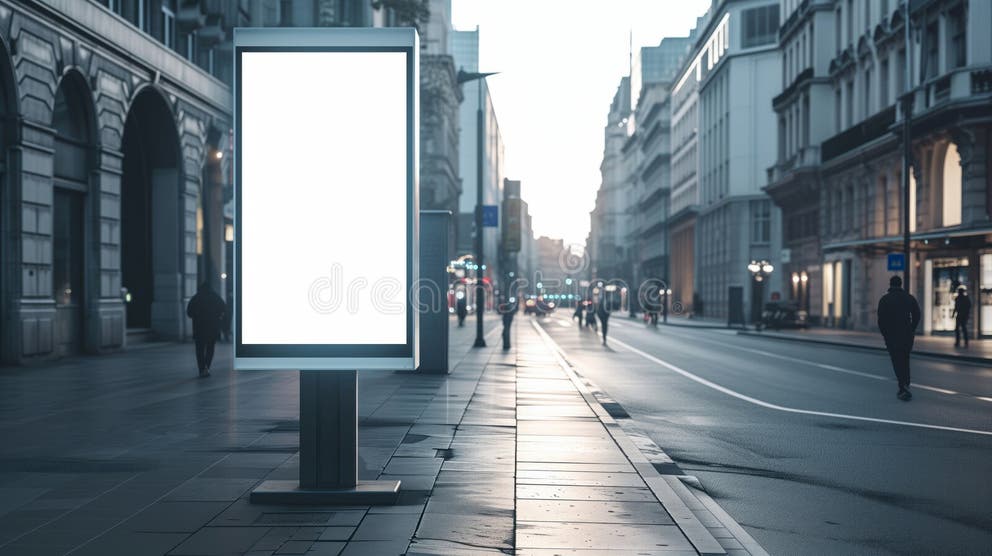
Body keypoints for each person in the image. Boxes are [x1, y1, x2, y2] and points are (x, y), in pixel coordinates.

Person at [877, 275, 921, 401]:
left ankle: (903, 385)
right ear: (901, 284)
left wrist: (885, 334)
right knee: (905, 359)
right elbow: (917, 314)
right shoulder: (909, 298)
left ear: (890, 284)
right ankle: (905, 384)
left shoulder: (885, 299)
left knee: (896, 361)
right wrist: (912, 329)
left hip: (892, 336)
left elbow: (881, 320)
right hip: (907, 335)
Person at [187, 281, 226, 377]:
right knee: (210, 348)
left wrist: (197, 316)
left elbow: (189, 312)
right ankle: (207, 367)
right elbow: (224, 308)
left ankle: (201, 369)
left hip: (199, 328)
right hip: (212, 328)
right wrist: (218, 316)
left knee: (199, 349)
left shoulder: (196, 298)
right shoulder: (215, 297)